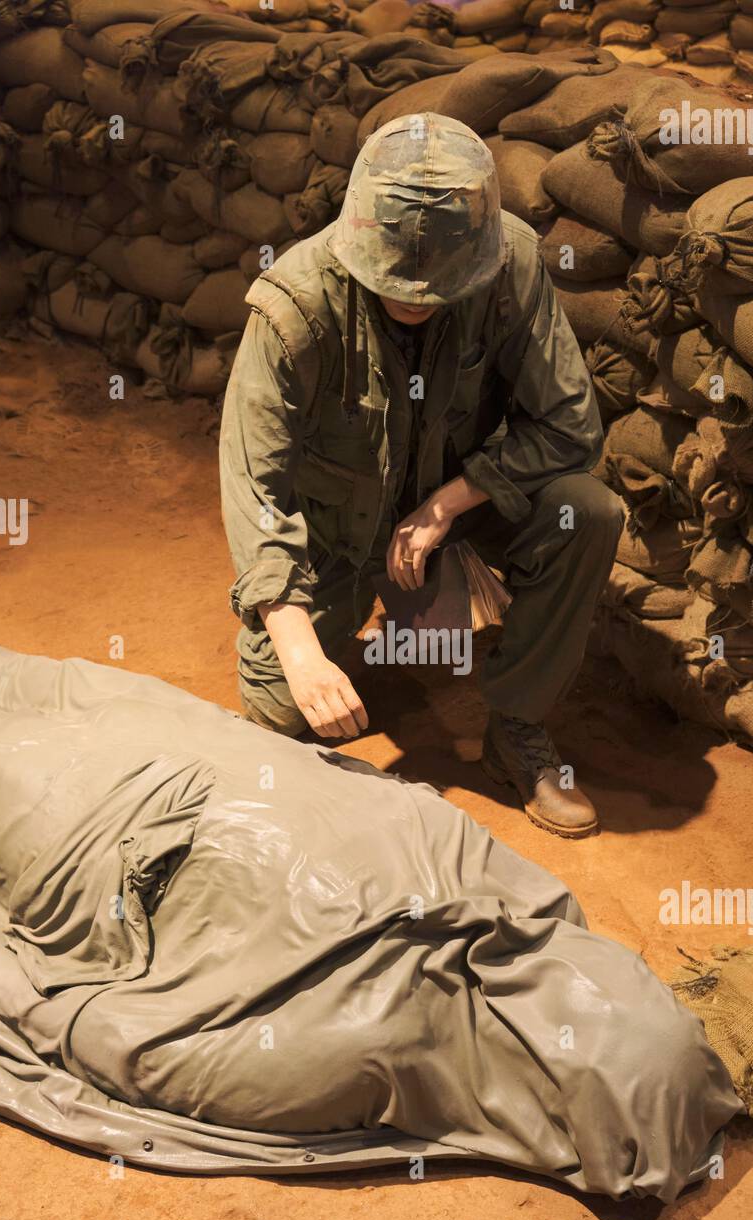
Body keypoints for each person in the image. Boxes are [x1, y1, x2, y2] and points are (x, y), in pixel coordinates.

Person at [219, 112, 626, 837]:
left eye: (441, 283)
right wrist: (298, 646)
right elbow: (256, 485)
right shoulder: (294, 308)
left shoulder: (510, 266)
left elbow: (570, 424)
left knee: (587, 512)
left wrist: (449, 503)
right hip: (336, 528)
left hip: (463, 496)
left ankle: (517, 725)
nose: (416, 294)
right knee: (282, 707)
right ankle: (339, 624)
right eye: (396, 276)